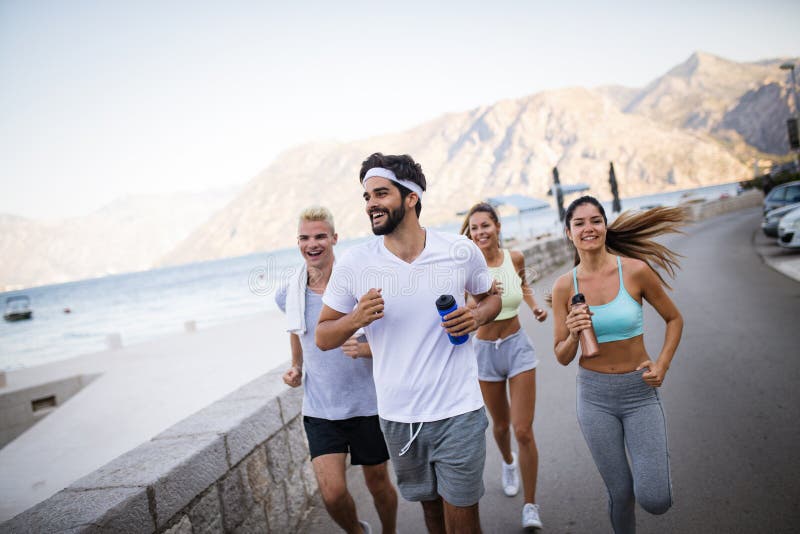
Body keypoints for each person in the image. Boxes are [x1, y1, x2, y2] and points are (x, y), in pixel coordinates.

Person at [316, 153, 502, 534]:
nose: (370, 205)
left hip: (458, 410)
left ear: (411, 197)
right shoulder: (355, 263)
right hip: (399, 418)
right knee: (432, 515)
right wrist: (356, 319)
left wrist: (477, 316)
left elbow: (491, 298)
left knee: (462, 519)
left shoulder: (459, 250)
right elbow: (322, 336)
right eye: (366, 197)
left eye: (380, 194)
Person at [550, 196, 685, 534]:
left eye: (595, 220)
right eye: (579, 223)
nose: (588, 228)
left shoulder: (635, 271)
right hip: (595, 398)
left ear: (605, 226)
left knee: (655, 498)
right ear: (568, 233)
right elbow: (562, 355)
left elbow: (674, 319)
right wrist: (572, 332)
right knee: (620, 493)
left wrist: (663, 365)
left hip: (639, 393)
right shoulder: (565, 286)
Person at [276, 206, 398, 534]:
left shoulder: (356, 285)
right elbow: (296, 330)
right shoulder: (289, 292)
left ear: (334, 238)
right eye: (304, 238)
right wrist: (296, 367)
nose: (311, 244)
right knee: (332, 494)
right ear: (297, 242)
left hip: (366, 405)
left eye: (319, 236)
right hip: (320, 408)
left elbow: (388, 340)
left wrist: (364, 349)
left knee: (379, 484)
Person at [460, 202, 547, 530]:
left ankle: (530, 505)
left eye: (485, 226)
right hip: (484, 352)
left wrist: (535, 306)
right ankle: (508, 463)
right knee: (500, 425)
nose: (479, 232)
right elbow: (466, 305)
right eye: (474, 228)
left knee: (522, 429)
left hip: (517, 347)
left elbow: (522, 284)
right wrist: (473, 303)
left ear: (497, 226)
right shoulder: (467, 264)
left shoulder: (515, 257)